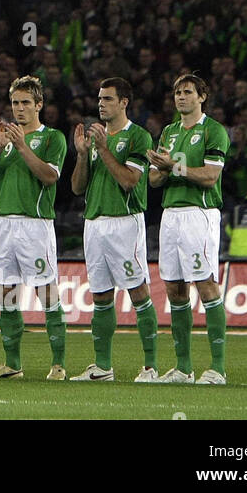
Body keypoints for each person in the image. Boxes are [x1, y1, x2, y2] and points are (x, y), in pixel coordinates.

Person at [0, 75, 69, 380]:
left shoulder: (53, 137)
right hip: (4, 223)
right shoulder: (4, 141)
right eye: (15, 102)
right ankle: (12, 364)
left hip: (35, 225)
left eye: (25, 102)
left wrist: (20, 146)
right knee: (6, 295)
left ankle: (58, 365)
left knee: (47, 293)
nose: (19, 108)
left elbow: (49, 177)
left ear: (39, 104)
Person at [68, 78, 160, 382]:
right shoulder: (94, 139)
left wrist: (105, 149)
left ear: (124, 102)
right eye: (99, 99)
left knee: (138, 292)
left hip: (125, 222)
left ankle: (150, 367)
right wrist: (83, 154)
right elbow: (78, 188)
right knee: (101, 296)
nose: (100, 104)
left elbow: (130, 181)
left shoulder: (138, 137)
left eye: (107, 99)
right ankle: (103, 367)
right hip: (93, 223)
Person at [145, 74, 230, 385]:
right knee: (174, 289)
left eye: (188, 92)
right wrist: (160, 168)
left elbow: (209, 177)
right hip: (171, 215)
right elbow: (153, 180)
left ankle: (218, 368)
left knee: (205, 285)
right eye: (177, 92)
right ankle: (183, 369)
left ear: (201, 96)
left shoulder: (214, 131)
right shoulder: (168, 132)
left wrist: (173, 167)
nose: (181, 97)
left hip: (199, 214)